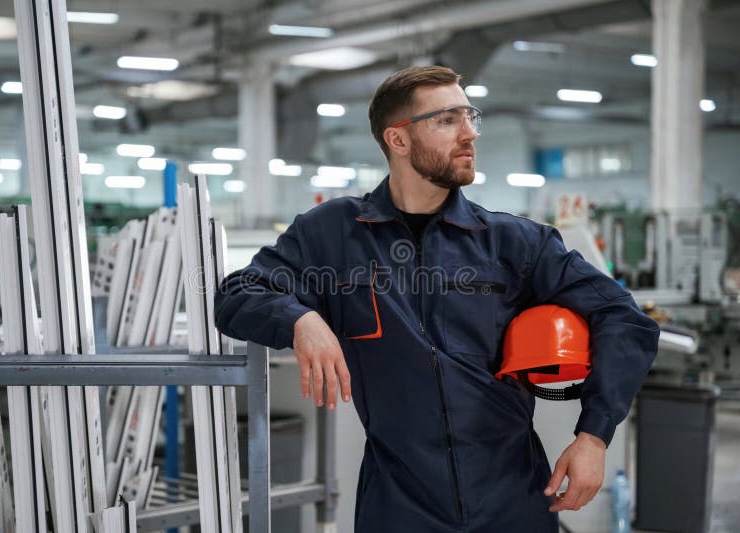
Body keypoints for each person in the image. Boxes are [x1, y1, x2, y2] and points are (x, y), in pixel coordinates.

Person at [215, 66, 659, 532]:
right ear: (398, 140)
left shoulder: (514, 243)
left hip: (512, 499)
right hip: (399, 504)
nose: (469, 134)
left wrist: (593, 437)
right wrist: (301, 320)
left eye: (470, 118)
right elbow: (237, 293)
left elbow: (623, 317)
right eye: (447, 120)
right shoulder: (333, 234)